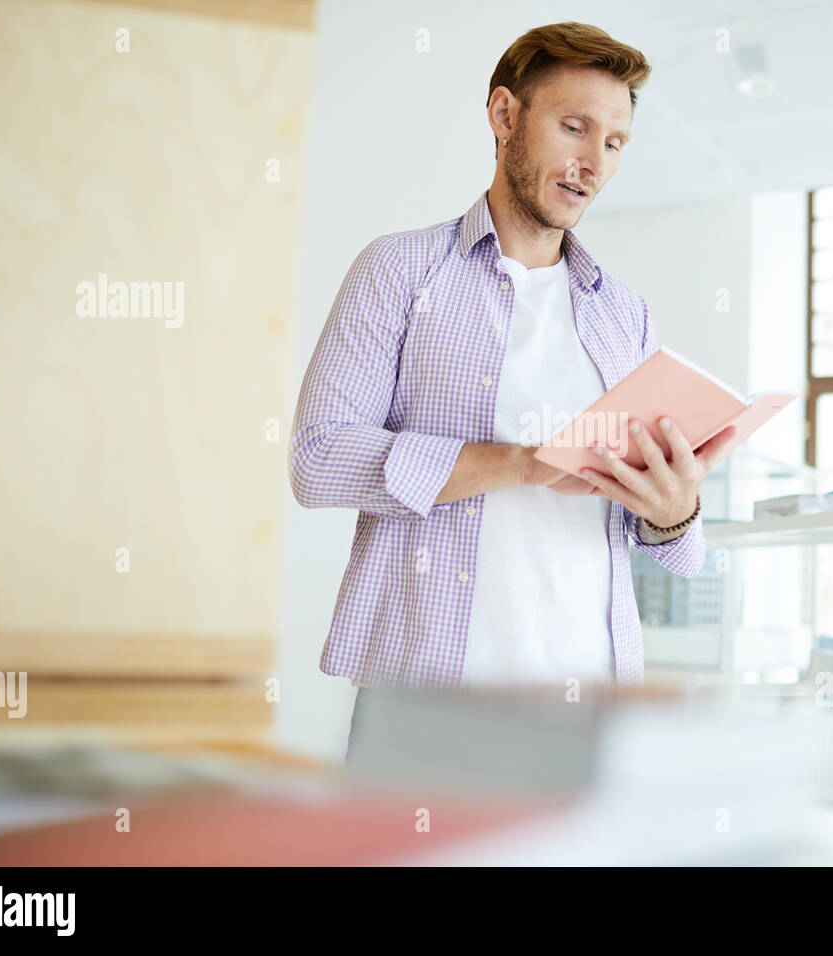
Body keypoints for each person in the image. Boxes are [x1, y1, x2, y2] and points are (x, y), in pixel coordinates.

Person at [288, 23, 738, 709]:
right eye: (574, 127)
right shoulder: (401, 270)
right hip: (430, 699)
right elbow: (318, 460)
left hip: (591, 704)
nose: (594, 161)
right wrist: (523, 464)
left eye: (614, 143)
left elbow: (680, 555)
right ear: (505, 115)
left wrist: (675, 510)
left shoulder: (624, 315)